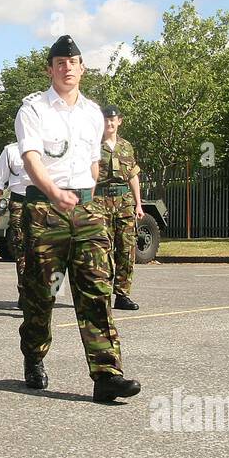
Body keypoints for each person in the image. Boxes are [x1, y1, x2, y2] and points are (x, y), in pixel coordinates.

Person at [14, 35, 142, 404]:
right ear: (50, 69)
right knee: (42, 293)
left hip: (88, 209)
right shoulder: (33, 109)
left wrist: (88, 197)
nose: (67, 68)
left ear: (82, 68)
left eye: (73, 63)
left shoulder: (92, 113)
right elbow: (32, 159)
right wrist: (54, 192)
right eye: (60, 63)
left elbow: (92, 163)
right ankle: (34, 355)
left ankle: (107, 375)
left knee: (96, 290)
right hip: (45, 209)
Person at [96, 104, 143, 311]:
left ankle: (122, 294)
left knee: (126, 249)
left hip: (124, 203)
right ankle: (102, 294)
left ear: (119, 121)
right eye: (106, 120)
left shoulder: (126, 146)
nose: (109, 123)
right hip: (100, 201)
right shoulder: (93, 146)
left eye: (113, 120)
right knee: (102, 250)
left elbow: (132, 175)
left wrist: (139, 203)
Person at [0, 140, 31, 311]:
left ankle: (45, 294)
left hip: (44, 203)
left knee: (45, 250)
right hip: (19, 202)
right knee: (21, 248)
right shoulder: (10, 151)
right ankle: (24, 293)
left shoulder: (49, 146)